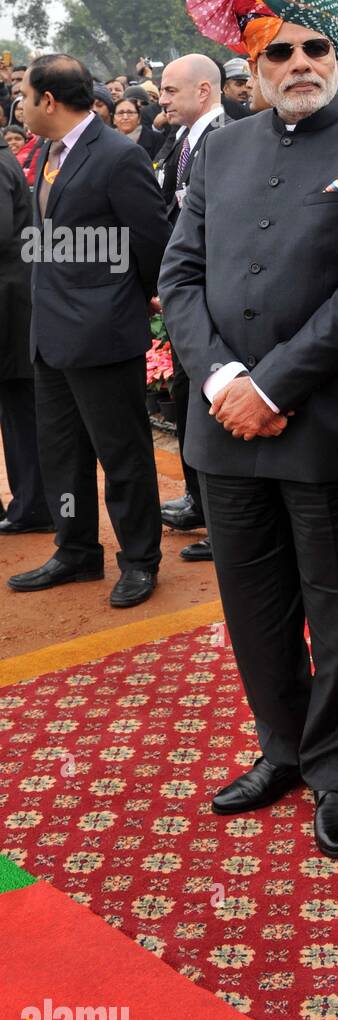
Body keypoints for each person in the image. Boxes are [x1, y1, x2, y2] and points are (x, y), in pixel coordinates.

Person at [161, 0, 338, 859]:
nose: (299, 62)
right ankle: (282, 750)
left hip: (324, 424)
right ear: (248, 67)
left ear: (335, 53)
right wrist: (220, 376)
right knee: (254, 609)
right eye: (278, 51)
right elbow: (178, 277)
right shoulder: (219, 151)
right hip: (221, 427)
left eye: (314, 48)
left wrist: (275, 383)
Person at [8, 55, 170, 607]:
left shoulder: (118, 156)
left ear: (49, 101)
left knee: (121, 454)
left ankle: (140, 559)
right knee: (62, 453)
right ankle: (76, 549)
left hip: (103, 334)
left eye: (25, 96)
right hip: (49, 331)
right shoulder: (50, 152)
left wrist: (132, 298)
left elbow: (152, 240)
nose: (20, 105)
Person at [153, 55, 227, 563]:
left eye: (170, 91)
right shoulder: (182, 141)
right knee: (185, 396)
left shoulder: (226, 138)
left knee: (208, 400)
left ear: (203, 91)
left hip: (213, 294)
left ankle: (220, 515)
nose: (161, 100)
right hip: (186, 293)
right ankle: (199, 499)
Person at [0, 141, 52, 534]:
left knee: (20, 407)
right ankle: (31, 504)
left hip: (9, 304)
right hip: (11, 301)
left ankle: (34, 505)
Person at [220, 57, 254, 122]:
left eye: (247, 85)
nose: (245, 89)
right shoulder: (216, 113)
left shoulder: (255, 112)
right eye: (239, 84)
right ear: (225, 88)